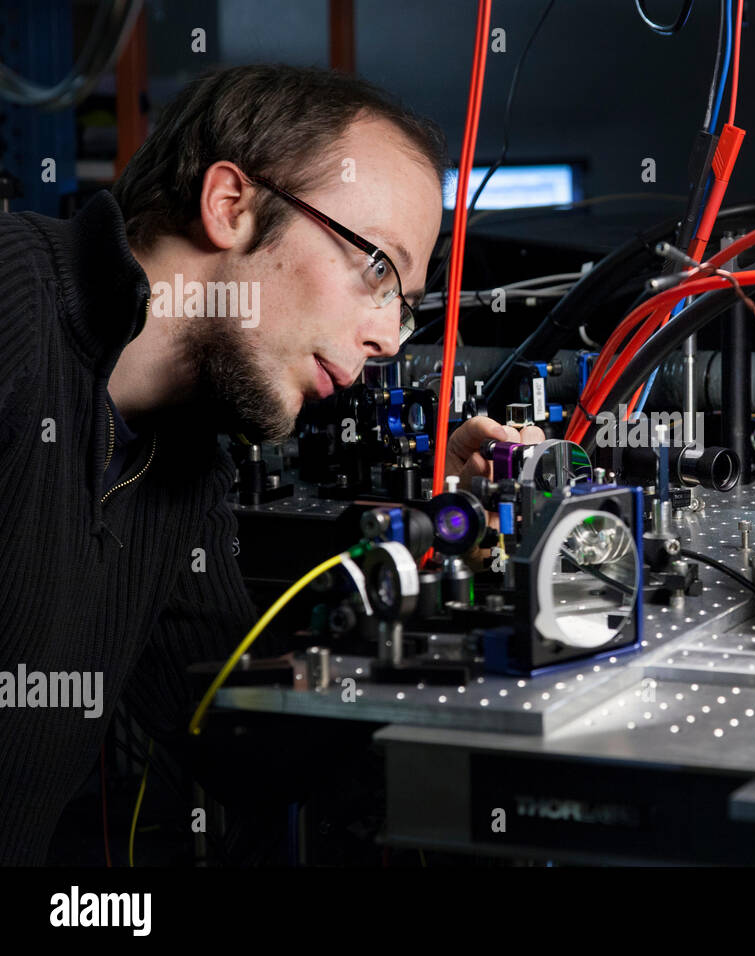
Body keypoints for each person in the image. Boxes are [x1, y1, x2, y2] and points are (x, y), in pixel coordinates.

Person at [0, 64, 539, 864]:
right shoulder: (13, 303)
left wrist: (431, 543)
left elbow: (239, 740)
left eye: (407, 305)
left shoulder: (184, 463)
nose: (391, 339)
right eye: (379, 268)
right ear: (230, 206)